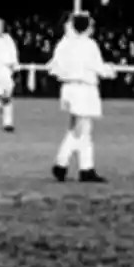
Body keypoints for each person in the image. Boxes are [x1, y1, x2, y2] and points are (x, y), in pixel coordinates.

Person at [47, 13, 116, 183]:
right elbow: (97, 66)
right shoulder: (88, 45)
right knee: (82, 130)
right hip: (83, 89)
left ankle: (77, 167)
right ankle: (67, 165)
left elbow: (54, 67)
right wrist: (110, 71)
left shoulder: (64, 43)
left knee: (79, 129)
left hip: (69, 88)